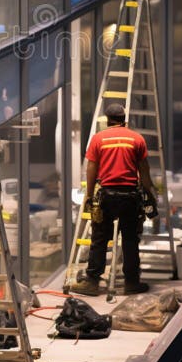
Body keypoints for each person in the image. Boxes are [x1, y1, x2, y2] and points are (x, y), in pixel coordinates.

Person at [72, 102, 158, 296]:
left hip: (107, 197)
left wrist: (89, 195)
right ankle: (131, 282)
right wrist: (150, 194)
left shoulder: (98, 139)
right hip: (130, 197)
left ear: (107, 120)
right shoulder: (137, 139)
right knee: (129, 240)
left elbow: (91, 168)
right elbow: (144, 170)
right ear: (124, 120)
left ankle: (92, 282)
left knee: (100, 239)